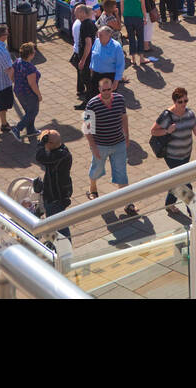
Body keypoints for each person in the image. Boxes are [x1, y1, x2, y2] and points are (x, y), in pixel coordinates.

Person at [151, 87, 196, 213]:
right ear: (174, 101)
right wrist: (166, 130)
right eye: (180, 102)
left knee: (178, 181)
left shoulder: (190, 114)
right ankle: (194, 210)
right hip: (172, 156)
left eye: (186, 100)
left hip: (185, 154)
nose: (183, 104)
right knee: (185, 183)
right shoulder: (167, 115)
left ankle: (169, 205)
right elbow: (153, 131)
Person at [85, 77, 134, 214]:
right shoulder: (92, 104)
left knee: (121, 172)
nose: (106, 92)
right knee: (97, 169)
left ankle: (127, 203)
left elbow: (124, 117)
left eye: (109, 89)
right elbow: (87, 128)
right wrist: (93, 146)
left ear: (112, 88)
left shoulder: (120, 99)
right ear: (99, 89)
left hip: (118, 142)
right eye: (103, 89)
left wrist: (127, 136)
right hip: (100, 144)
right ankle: (92, 188)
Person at [35, 130, 73, 235]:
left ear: (50, 144)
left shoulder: (60, 155)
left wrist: (41, 143)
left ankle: (64, 248)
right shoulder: (60, 149)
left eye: (46, 141)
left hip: (56, 197)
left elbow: (39, 157)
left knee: (58, 226)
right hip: (55, 194)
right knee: (57, 223)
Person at [10, 43, 42, 139]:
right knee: (33, 112)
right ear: (31, 54)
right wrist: (39, 95)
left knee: (28, 111)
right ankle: (17, 128)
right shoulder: (30, 68)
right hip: (28, 93)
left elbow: (11, 75)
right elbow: (32, 84)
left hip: (18, 91)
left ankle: (31, 130)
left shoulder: (17, 61)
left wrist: (16, 82)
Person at [71, 2, 97, 109]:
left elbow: (88, 43)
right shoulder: (90, 23)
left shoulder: (85, 25)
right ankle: (89, 101)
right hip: (90, 56)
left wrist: (82, 60)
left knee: (87, 80)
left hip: (87, 57)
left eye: (76, 12)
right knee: (88, 80)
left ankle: (88, 103)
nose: (74, 14)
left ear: (82, 12)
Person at [120, 0, 148, 69]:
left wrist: (123, 18)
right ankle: (141, 58)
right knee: (140, 37)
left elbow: (122, 9)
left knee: (131, 38)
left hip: (128, 19)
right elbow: (143, 7)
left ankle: (133, 58)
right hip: (138, 18)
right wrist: (145, 17)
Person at [89, 25, 126, 92]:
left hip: (108, 77)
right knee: (93, 95)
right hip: (96, 75)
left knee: (107, 98)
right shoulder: (97, 41)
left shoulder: (116, 47)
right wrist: (91, 68)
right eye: (98, 35)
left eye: (100, 35)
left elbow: (120, 65)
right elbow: (93, 56)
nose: (98, 37)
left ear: (108, 35)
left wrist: (116, 81)